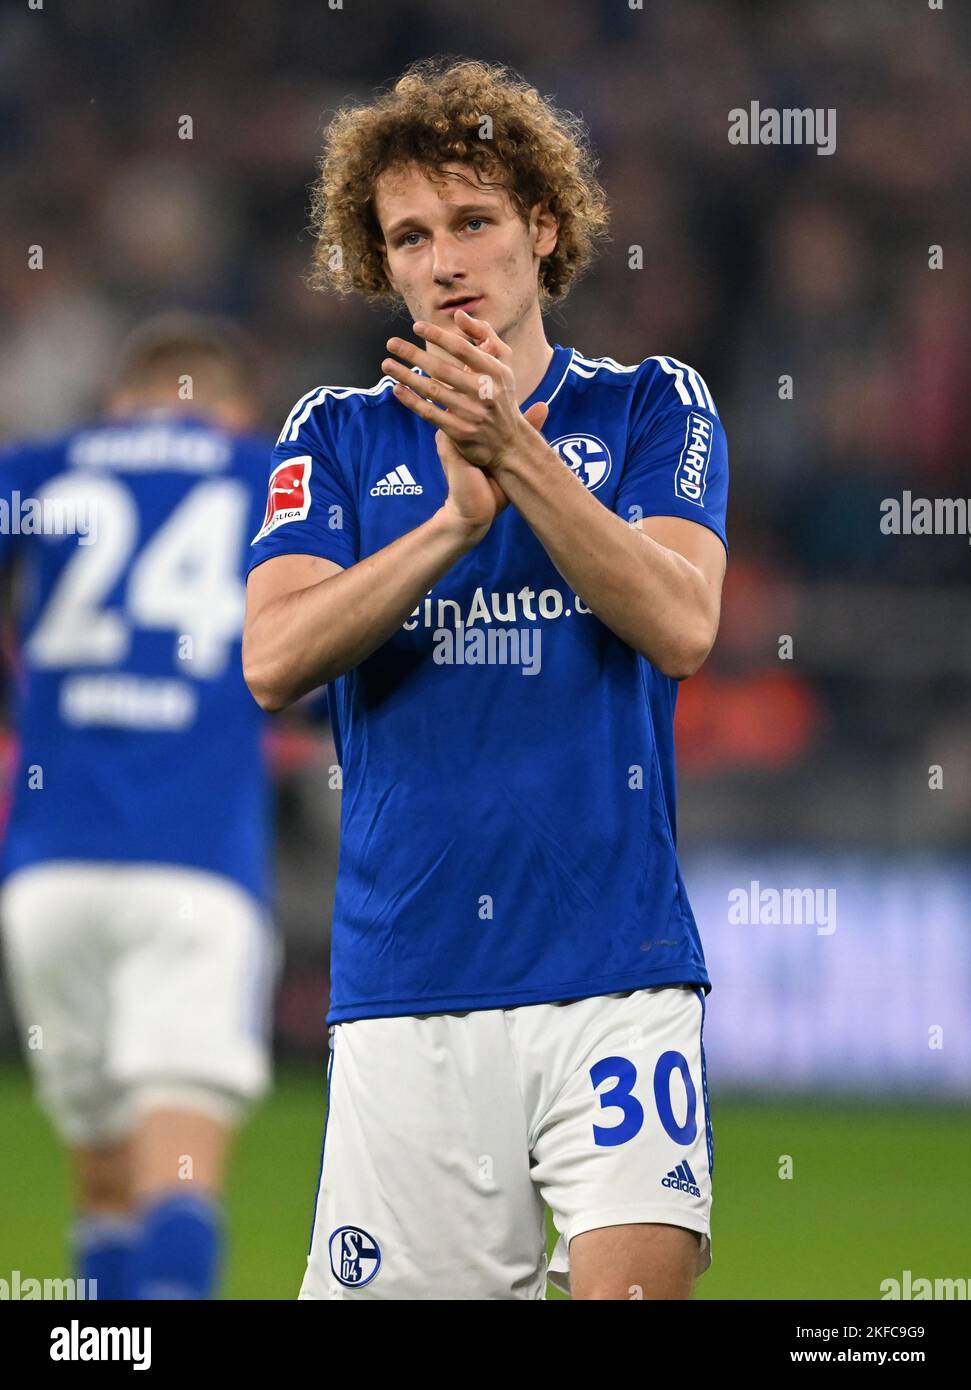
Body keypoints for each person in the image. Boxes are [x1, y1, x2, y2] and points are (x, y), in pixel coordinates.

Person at [243, 57, 728, 1301]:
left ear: (543, 229)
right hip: (411, 984)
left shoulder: (650, 411)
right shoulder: (335, 435)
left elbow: (681, 622)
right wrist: (451, 527)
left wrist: (515, 452)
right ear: (383, 264)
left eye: (473, 222)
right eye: (410, 235)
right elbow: (273, 657)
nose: (445, 260)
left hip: (614, 969)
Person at [0, 313, 279, 1299]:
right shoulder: (267, 473)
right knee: (180, 1173)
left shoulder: (44, 465)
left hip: (47, 868)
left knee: (103, 1181)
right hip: (195, 864)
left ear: (120, 404)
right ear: (234, 412)